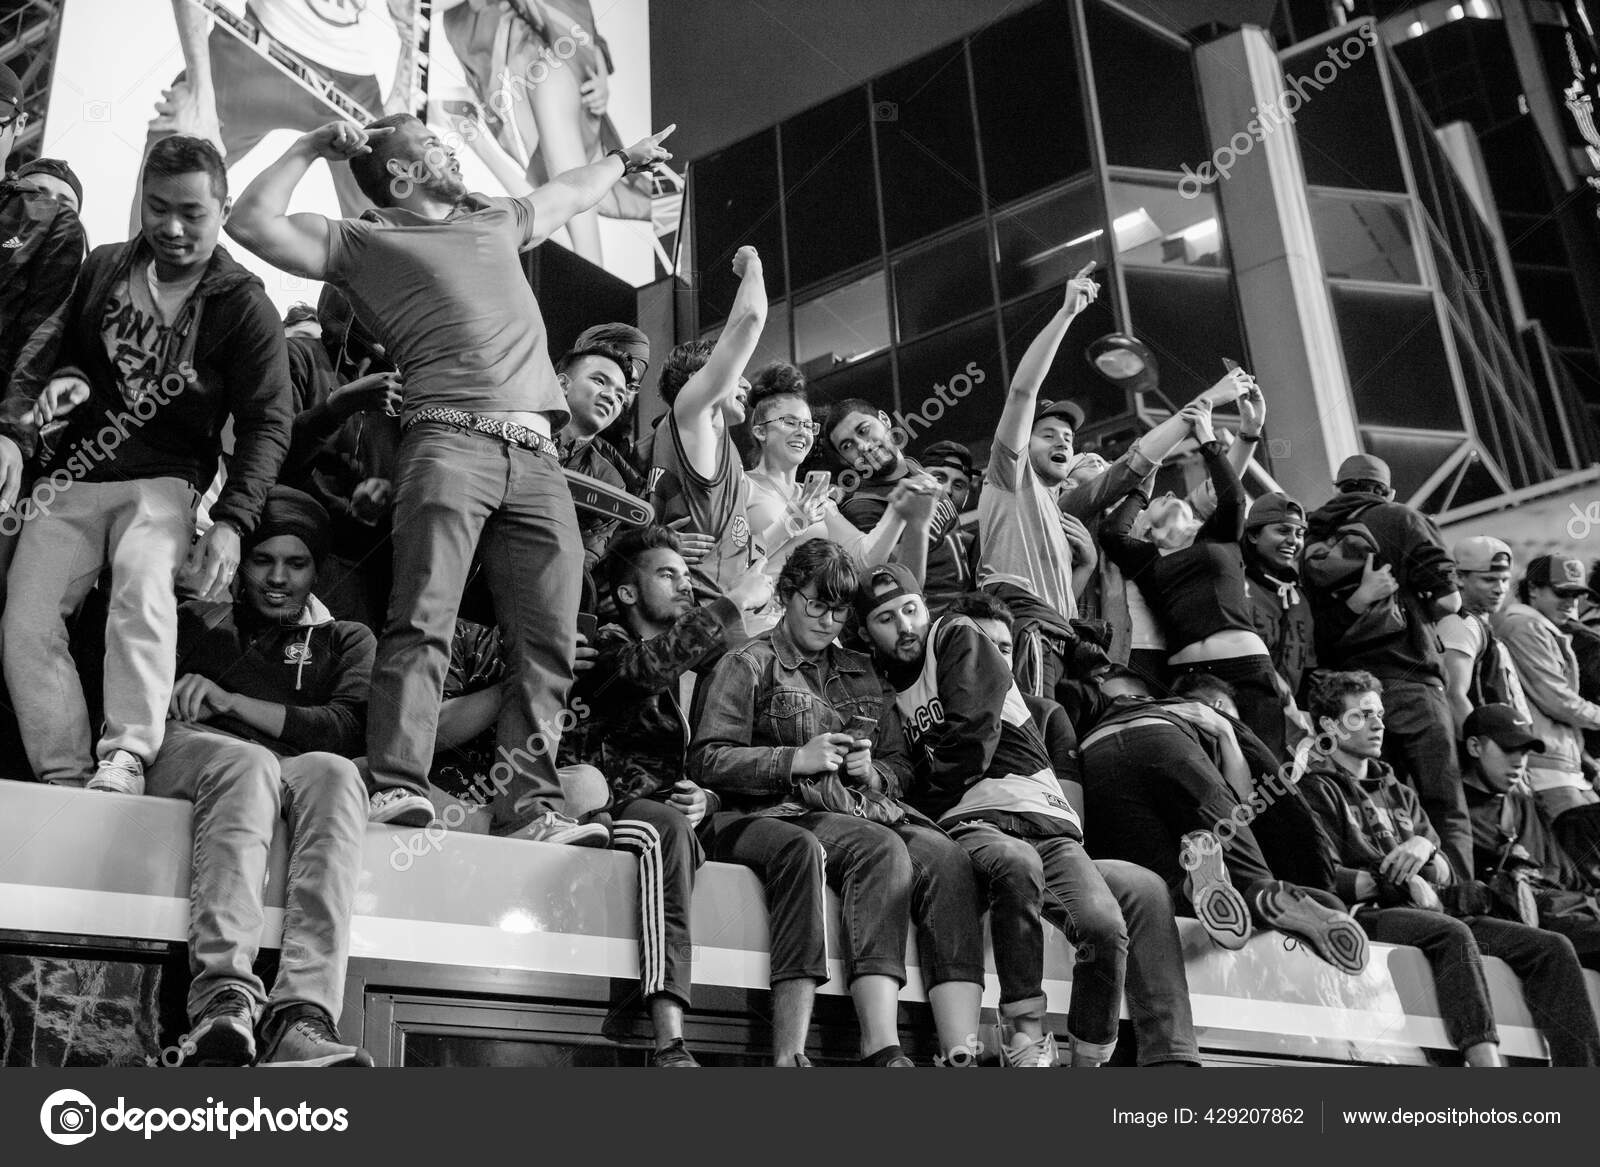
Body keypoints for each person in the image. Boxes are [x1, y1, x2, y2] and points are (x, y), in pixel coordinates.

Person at [225, 112, 673, 839]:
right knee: (423, 619)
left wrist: (623, 160)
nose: (451, 151)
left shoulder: (493, 217)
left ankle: (530, 809)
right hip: (447, 443)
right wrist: (308, 145)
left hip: (537, 459)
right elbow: (250, 222)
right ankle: (396, 785)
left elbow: (567, 192)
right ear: (401, 174)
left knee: (549, 641)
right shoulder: (368, 239)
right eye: (433, 146)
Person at [1, 135, 292, 792]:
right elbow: (58, 359)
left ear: (223, 210)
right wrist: (23, 434)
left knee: (141, 589)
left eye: (192, 212)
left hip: (165, 480)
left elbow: (268, 421)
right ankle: (65, 777)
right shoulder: (103, 265)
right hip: (73, 476)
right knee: (25, 621)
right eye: (158, 207)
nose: (173, 227)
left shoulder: (243, 304)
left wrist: (233, 521)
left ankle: (128, 754)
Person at [864, 570, 1201, 1067]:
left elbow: (973, 738)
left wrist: (925, 798)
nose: (904, 625)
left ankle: (1087, 1062)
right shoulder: (881, 691)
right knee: (1015, 864)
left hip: (1043, 818)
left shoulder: (954, 634)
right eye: (885, 618)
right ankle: (1024, 1037)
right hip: (975, 823)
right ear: (867, 630)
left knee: (1104, 927)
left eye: (911, 609)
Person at [691, 539, 987, 1067]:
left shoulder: (864, 671)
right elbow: (708, 760)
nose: (828, 621)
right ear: (785, 595)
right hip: (781, 812)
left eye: (840, 610)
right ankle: (881, 1046)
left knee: (948, 858)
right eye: (816, 605)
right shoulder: (747, 663)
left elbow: (901, 768)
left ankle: (960, 1051)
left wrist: (874, 772)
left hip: (865, 809)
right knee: (878, 849)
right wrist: (794, 760)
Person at [155, 486, 374, 1067]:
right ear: (240, 562)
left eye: (296, 563)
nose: (278, 578)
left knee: (337, 773)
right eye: (262, 560)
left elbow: (345, 730)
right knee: (248, 763)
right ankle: (221, 999)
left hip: (286, 766)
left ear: (317, 570)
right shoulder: (195, 619)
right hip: (198, 753)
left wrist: (229, 700)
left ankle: (301, 1017)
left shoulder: (346, 638)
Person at [1300, 671, 1600, 1067]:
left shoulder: (1401, 792)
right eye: (1363, 715)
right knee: (1451, 931)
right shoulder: (1315, 790)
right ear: (1328, 725)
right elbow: (1325, 878)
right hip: (1371, 914)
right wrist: (1400, 882)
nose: (1378, 725)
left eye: (1381, 715)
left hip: (1432, 907)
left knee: (1551, 946)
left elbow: (1445, 874)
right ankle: (1485, 1066)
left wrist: (1425, 848)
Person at [566, 525, 776, 1065]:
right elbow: (645, 668)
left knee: (794, 843)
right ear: (627, 592)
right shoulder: (605, 648)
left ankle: (788, 1050)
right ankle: (670, 1040)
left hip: (687, 815)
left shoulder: (704, 668)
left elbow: (711, 759)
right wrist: (731, 603)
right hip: (616, 809)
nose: (685, 585)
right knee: (667, 829)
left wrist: (708, 798)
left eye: (687, 575)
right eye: (667, 575)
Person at [1074, 667, 1368, 973]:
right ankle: (1261, 891)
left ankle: (1192, 887)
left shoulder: (1088, 714)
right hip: (1167, 739)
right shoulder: (1203, 714)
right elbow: (1244, 801)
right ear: (1218, 704)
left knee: (1159, 890)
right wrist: (1228, 732)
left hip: (1095, 755)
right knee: (1248, 876)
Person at [1100, 373, 1294, 762]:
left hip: (1243, 666)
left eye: (1173, 494)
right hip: (1186, 678)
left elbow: (1232, 496)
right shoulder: (1148, 561)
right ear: (1146, 528)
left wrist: (1213, 437)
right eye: (1162, 498)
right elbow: (1112, 533)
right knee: (1209, 768)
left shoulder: (1217, 536)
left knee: (1265, 765)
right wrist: (1142, 490)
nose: (1171, 493)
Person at [1305, 453, 1469, 878]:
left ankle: (1394, 887)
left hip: (1352, 694)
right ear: (1387, 491)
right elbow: (1450, 600)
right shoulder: (1401, 518)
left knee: (1379, 796)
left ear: (1339, 488)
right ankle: (1459, 896)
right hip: (1412, 681)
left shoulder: (1313, 534)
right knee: (1443, 803)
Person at [647, 246, 770, 623]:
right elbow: (750, 319)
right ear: (697, 382)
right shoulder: (694, 413)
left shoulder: (702, 435)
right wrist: (753, 266)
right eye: (735, 375)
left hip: (716, 612)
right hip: (705, 614)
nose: (746, 383)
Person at [742, 363, 912, 632]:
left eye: (808, 425)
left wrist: (898, 510)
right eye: (790, 422)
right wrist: (793, 521)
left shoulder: (817, 498)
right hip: (761, 633)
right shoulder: (742, 486)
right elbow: (732, 561)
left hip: (818, 632)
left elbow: (864, 560)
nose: (802, 432)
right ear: (760, 430)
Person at [1461, 704, 1600, 970]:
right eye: (1508, 749)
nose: (1518, 761)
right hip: (1519, 926)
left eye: (1524, 752)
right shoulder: (1453, 810)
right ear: (1475, 747)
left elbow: (1572, 882)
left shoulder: (1524, 805)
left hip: (1566, 917)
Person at [1492, 554, 1600, 888]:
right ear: (1533, 590)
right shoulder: (1525, 624)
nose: (1571, 602)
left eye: (1576, 594)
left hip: (1563, 763)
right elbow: (1556, 700)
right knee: (1581, 868)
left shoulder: (1539, 626)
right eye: (1562, 593)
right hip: (1546, 764)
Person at [825, 401, 971, 614]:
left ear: (884, 420)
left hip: (971, 606)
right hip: (933, 621)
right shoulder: (861, 507)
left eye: (864, 430)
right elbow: (900, 591)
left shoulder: (913, 467)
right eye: (848, 446)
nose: (862, 446)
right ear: (844, 459)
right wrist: (916, 524)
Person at [555, 340, 636, 573]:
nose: (611, 397)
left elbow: (584, 560)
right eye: (599, 381)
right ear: (562, 384)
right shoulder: (512, 431)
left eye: (620, 397)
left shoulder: (611, 484)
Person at [1440, 536, 1528, 736]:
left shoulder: (1476, 623)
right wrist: (1479, 748)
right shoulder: (1461, 624)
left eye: (1505, 580)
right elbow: (1454, 696)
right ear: (1458, 578)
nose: (1500, 589)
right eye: (1489, 580)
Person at [1241, 492, 1315, 704]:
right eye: (1283, 531)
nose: (1293, 541)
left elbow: (1308, 669)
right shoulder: (1237, 586)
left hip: (1287, 715)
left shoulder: (1300, 599)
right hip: (1242, 708)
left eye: (1299, 534)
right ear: (1253, 535)